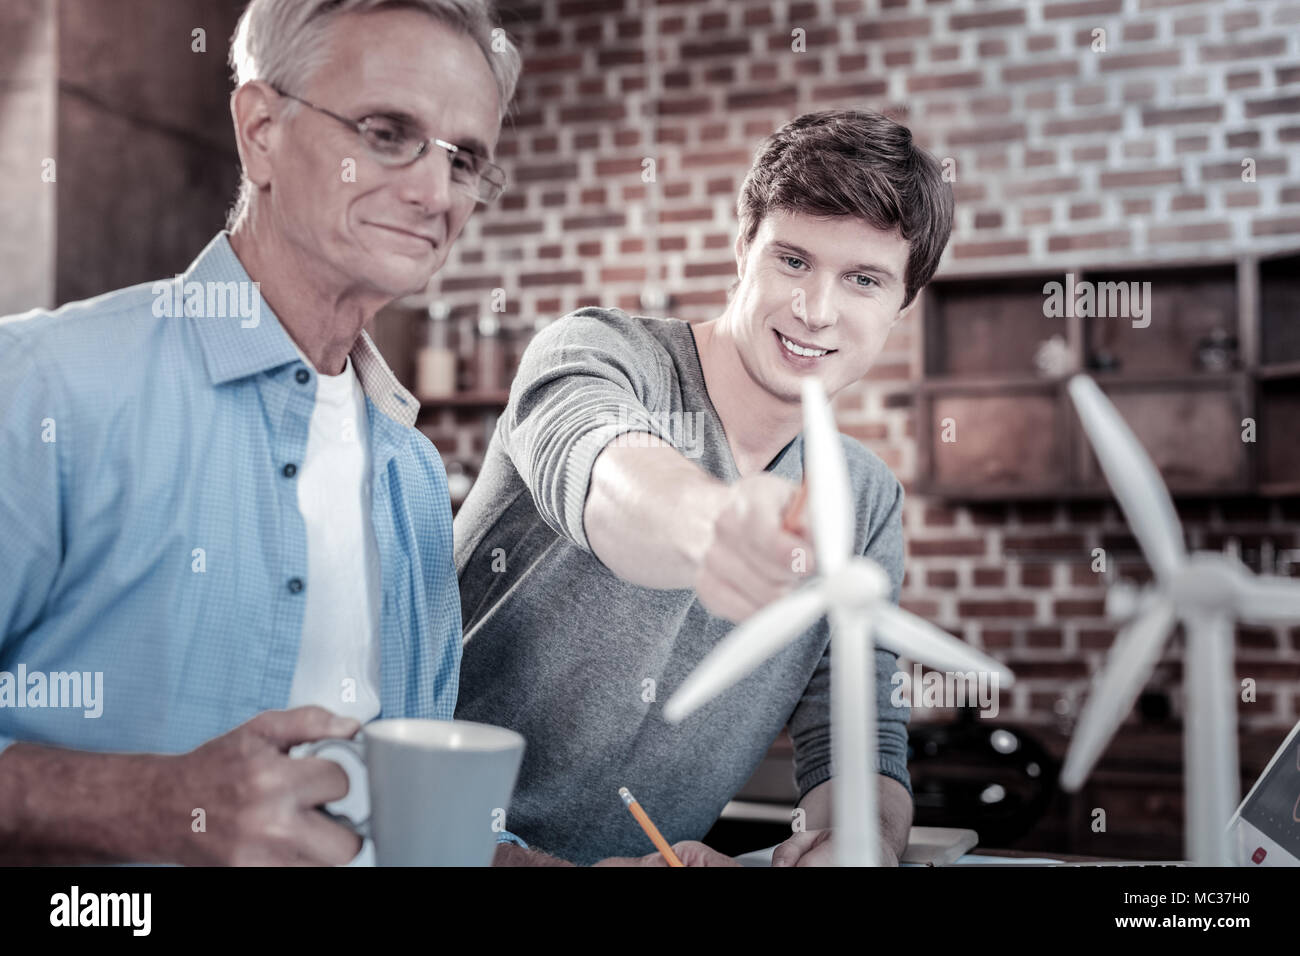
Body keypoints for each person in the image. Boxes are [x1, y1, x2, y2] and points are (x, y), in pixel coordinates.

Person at [0, 0, 521, 866]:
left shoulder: (415, 477)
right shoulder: (45, 383)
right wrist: (145, 803)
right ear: (261, 130)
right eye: (388, 132)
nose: (436, 193)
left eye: (465, 159)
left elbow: (412, 822)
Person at [454, 109, 955, 866]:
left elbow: (856, 730)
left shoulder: (866, 499)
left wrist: (864, 842)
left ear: (903, 302)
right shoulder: (598, 353)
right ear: (742, 247)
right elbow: (601, 468)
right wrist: (717, 525)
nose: (816, 310)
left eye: (863, 279)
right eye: (793, 261)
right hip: (433, 843)